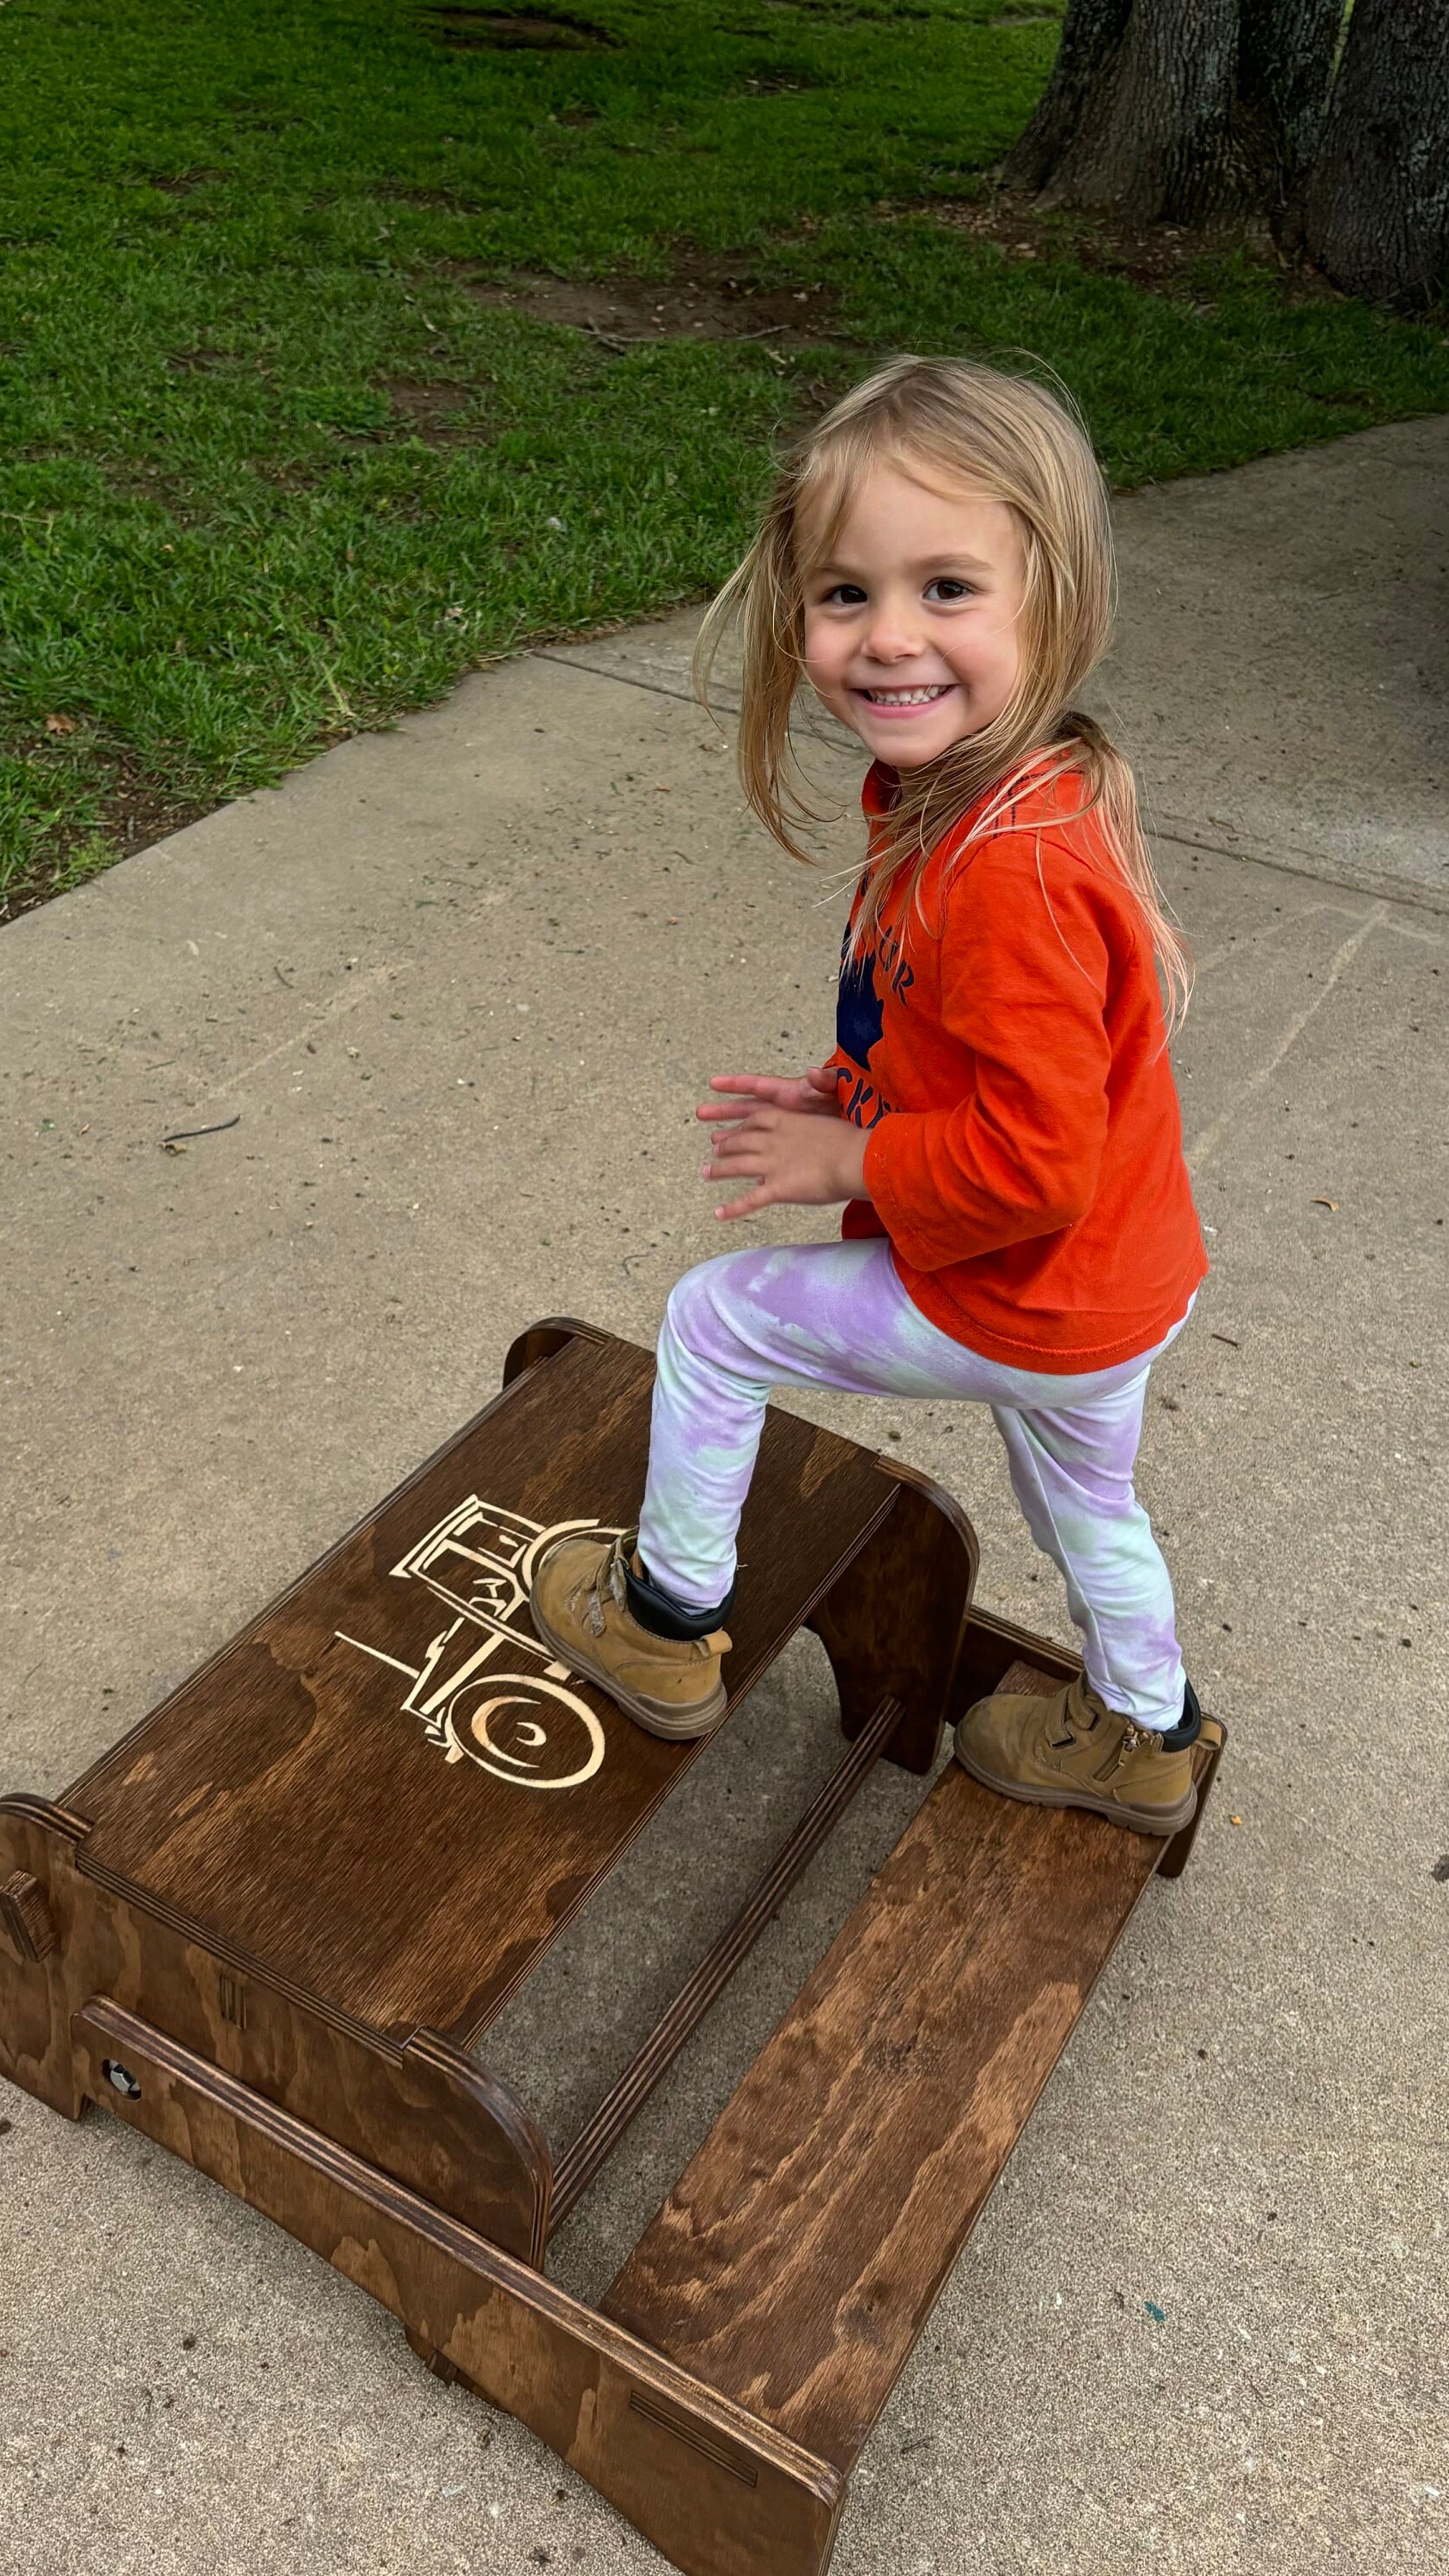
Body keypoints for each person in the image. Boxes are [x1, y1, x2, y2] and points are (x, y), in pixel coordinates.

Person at [530, 355, 1209, 1836]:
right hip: (1112, 1292)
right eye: (845, 594)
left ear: (1056, 602)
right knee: (1081, 1502)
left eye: (945, 588)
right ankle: (1144, 1731)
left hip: (1027, 1288)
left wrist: (852, 1160)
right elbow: (938, 1032)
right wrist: (854, 1089)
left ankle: (662, 1619)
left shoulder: (1011, 869)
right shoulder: (977, 792)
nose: (887, 636)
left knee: (714, 1323)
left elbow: (1032, 1165)